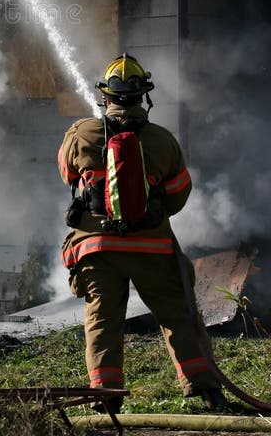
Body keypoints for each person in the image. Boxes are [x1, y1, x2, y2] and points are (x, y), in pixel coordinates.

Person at [58, 53, 226, 413]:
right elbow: (179, 195)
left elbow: (67, 176)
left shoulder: (80, 133)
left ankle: (106, 398)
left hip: (96, 249)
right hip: (152, 247)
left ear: (106, 96)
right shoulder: (163, 142)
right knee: (178, 316)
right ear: (143, 97)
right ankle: (206, 388)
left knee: (102, 321)